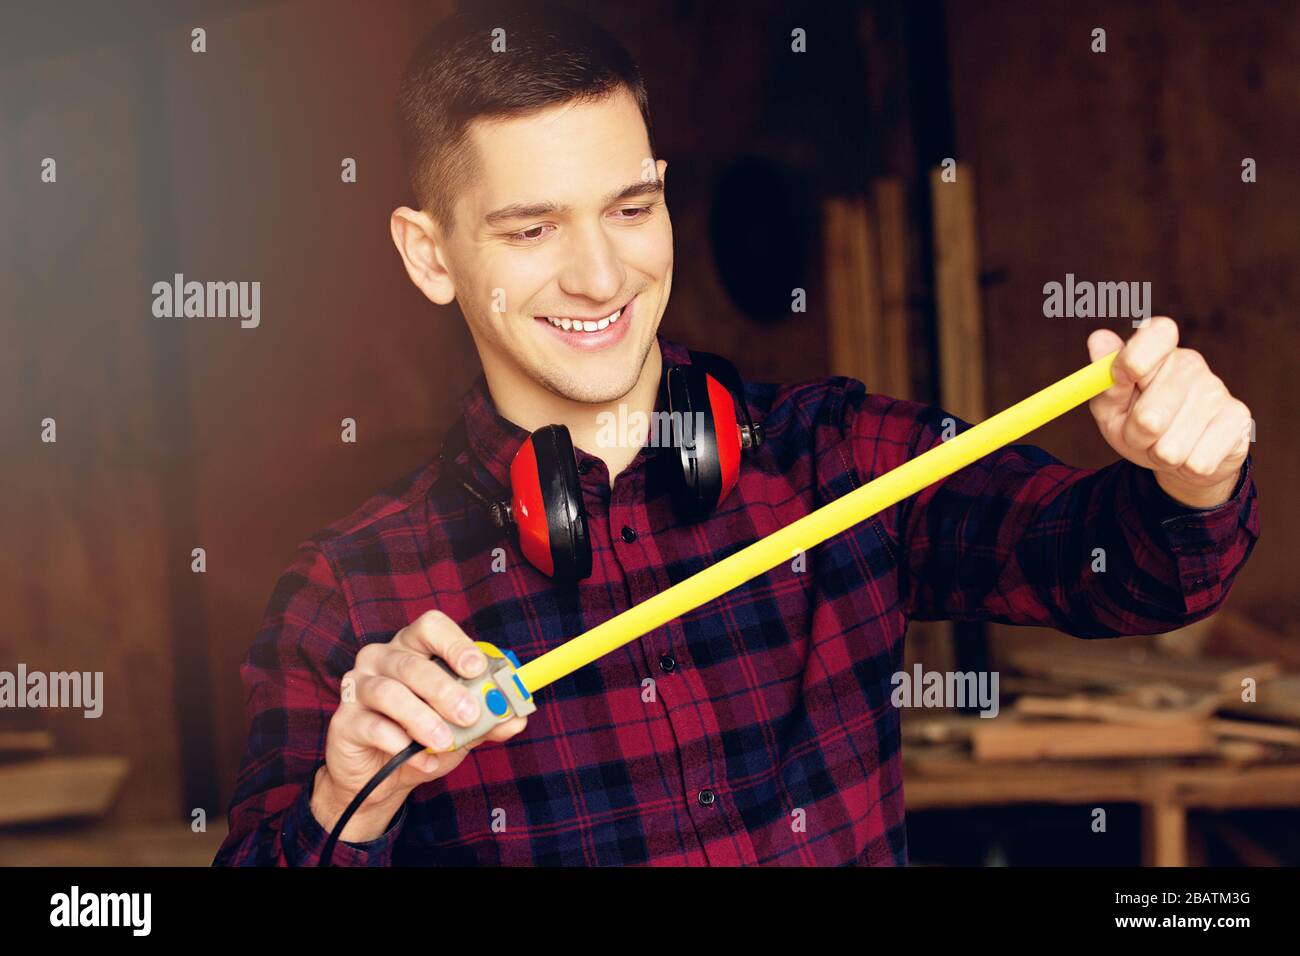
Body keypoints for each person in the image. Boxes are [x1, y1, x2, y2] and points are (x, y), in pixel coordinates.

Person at [213, 2, 1258, 866]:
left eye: (629, 209)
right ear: (429, 254)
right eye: (530, 229)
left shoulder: (838, 456)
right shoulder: (346, 596)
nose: (600, 276)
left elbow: (1131, 569)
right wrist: (351, 788)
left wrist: (1189, 478)